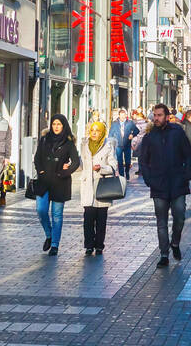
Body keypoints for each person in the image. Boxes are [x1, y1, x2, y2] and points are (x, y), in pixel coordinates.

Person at [139, 103, 191, 266]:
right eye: (154, 115)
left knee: (180, 216)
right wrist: (149, 179)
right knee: (161, 221)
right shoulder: (149, 136)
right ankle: (164, 254)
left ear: (167, 116)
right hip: (158, 184)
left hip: (178, 182)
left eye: (159, 115)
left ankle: (175, 242)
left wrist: (187, 174)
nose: (156, 118)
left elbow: (188, 154)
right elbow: (143, 160)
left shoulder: (177, 132)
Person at [33, 115, 81, 256]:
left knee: (57, 215)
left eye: (59, 124)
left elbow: (76, 162)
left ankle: (54, 245)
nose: (56, 126)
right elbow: (37, 158)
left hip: (60, 182)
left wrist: (66, 172)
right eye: (54, 124)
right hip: (44, 180)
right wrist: (40, 170)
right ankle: (49, 234)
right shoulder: (44, 139)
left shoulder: (68, 142)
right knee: (41, 210)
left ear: (64, 125)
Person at [78, 119, 121, 256]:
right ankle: (89, 245)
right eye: (92, 130)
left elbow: (114, 166)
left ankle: (99, 246)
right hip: (87, 186)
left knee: (101, 219)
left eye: (97, 131)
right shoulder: (84, 145)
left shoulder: (108, 146)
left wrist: (102, 168)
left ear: (102, 132)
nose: (94, 133)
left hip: (102, 186)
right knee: (88, 218)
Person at [111, 109, 137, 181]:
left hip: (127, 144)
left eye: (124, 115)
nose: (123, 117)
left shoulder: (130, 123)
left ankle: (127, 172)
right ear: (119, 116)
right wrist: (111, 143)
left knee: (128, 161)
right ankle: (122, 176)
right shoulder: (115, 124)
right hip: (118, 145)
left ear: (126, 115)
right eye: (121, 116)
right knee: (120, 161)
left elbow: (137, 130)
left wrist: (132, 134)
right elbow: (110, 134)